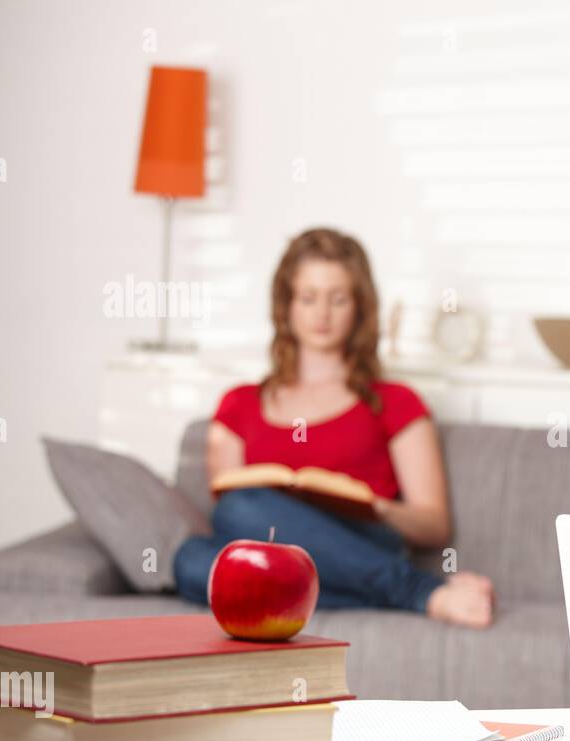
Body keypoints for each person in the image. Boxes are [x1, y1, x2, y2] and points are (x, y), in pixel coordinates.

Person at [174, 227, 495, 628]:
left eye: (338, 299)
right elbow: (231, 515)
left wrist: (378, 506)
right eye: (308, 298)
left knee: (238, 517)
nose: (322, 315)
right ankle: (391, 594)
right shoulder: (239, 404)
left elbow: (434, 526)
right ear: (286, 306)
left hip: (361, 541)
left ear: (359, 307)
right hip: (276, 557)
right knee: (194, 556)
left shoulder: (395, 400)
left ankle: (417, 589)